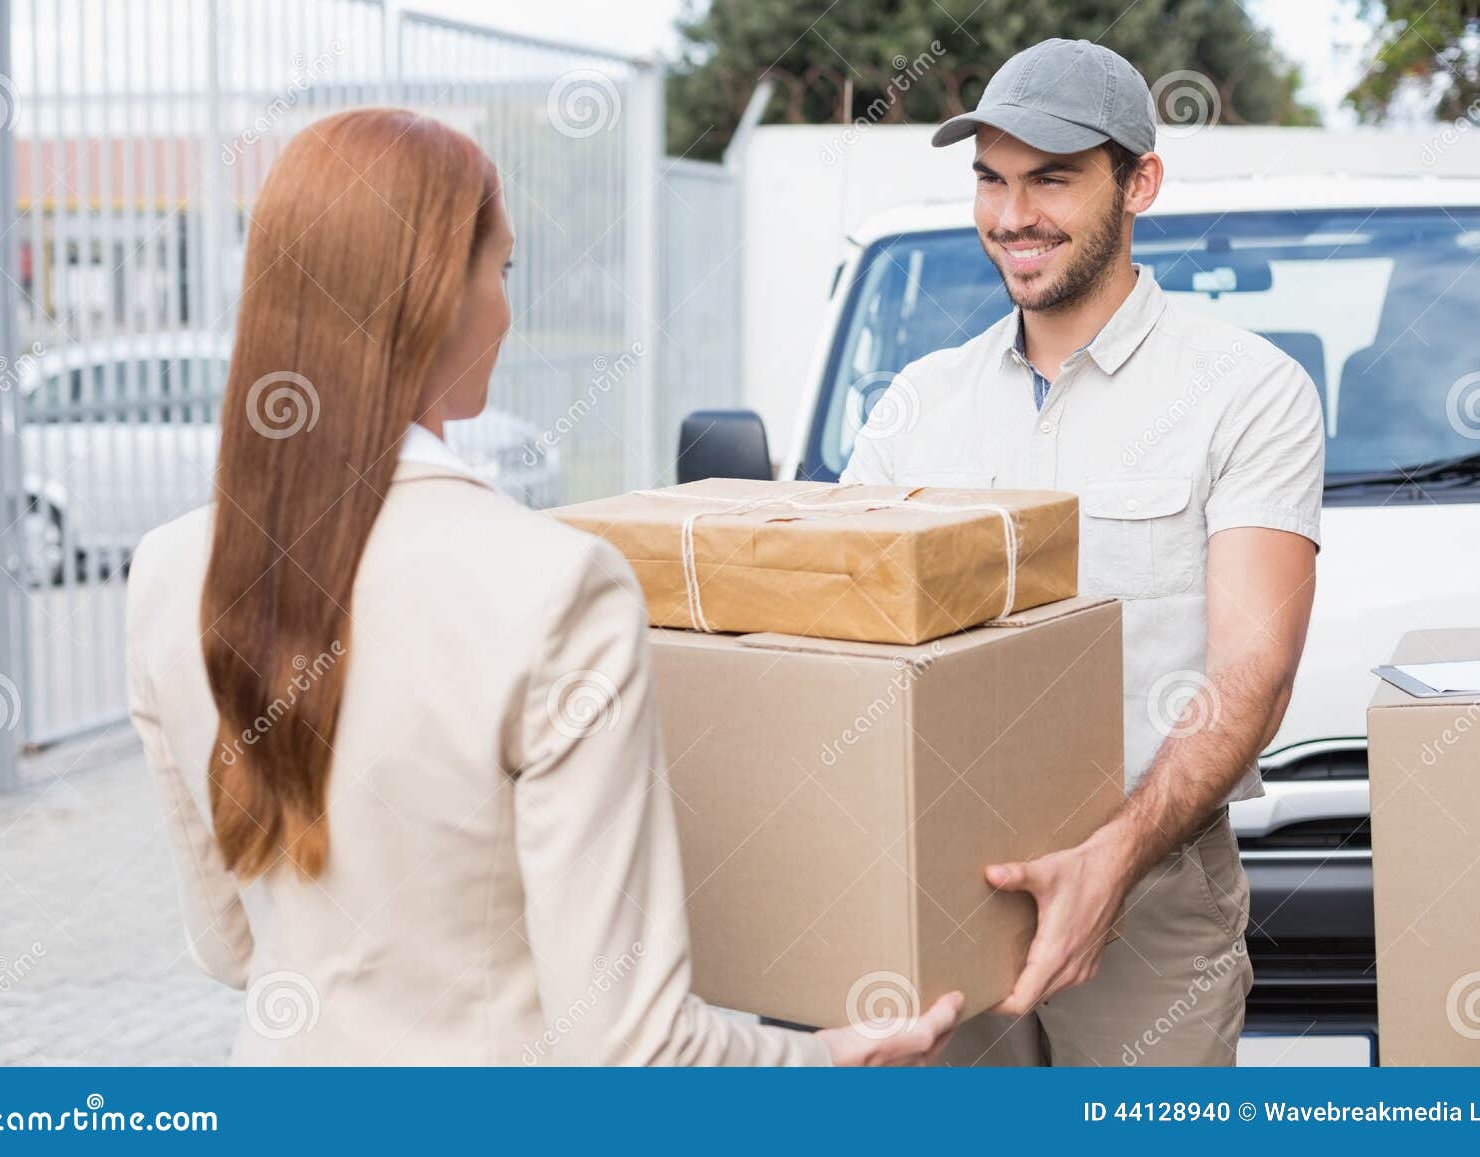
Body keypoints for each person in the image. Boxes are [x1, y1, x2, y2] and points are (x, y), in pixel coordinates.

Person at [125, 107, 962, 1065]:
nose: (508, 306)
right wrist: (840, 1055)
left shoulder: (165, 571)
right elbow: (633, 1050)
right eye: (504, 269)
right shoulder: (557, 587)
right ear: (443, 291)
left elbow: (231, 944)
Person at [841, 39, 1323, 1066]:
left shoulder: (1247, 390)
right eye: (991, 179)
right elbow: (843, 639)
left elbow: (1253, 670)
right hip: (940, 888)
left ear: (1138, 181)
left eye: (1051, 179)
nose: (1012, 215)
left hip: (1151, 890)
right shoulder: (917, 404)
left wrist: (1110, 859)